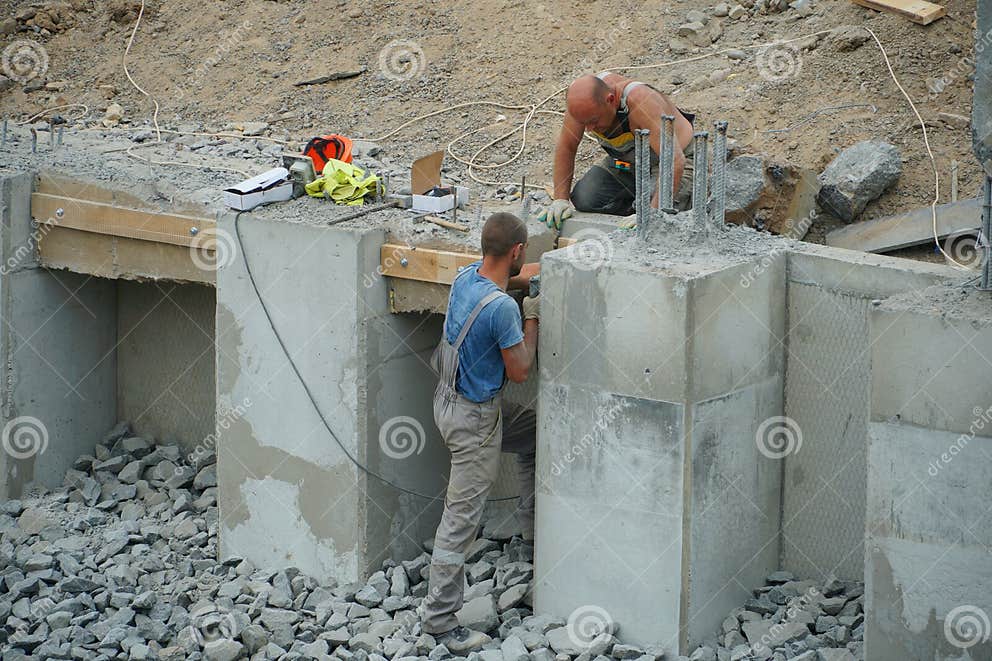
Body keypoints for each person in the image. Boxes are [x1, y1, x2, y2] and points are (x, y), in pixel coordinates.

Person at [420, 212, 540, 652]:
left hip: (449, 402)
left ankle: (531, 536)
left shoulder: (466, 278)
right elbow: (522, 370)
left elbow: (506, 286)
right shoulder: (506, 310)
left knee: (534, 435)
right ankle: (439, 620)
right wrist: (534, 316)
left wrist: (534, 279)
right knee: (460, 521)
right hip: (475, 424)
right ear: (516, 251)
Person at [537, 71, 697, 229]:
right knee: (585, 198)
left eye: (594, 121)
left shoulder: (640, 102)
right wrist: (560, 200)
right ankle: (636, 208)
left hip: (676, 163)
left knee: (655, 215)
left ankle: (659, 207)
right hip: (628, 164)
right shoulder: (582, 106)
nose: (589, 129)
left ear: (611, 100)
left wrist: (652, 212)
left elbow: (675, 161)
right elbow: (567, 147)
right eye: (584, 123)